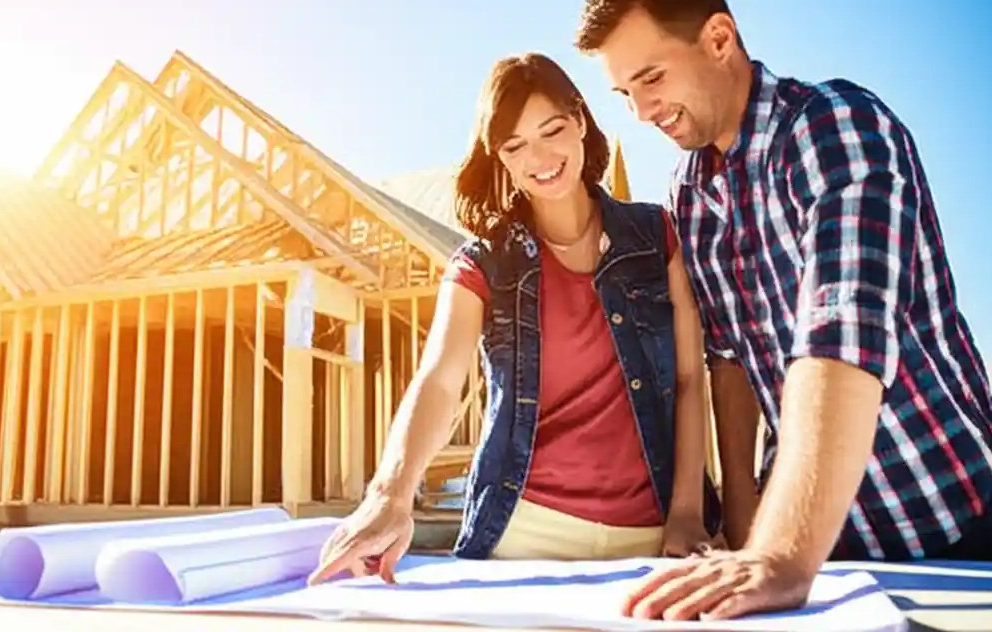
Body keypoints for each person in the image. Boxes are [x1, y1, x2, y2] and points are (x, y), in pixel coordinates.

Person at [572, 0, 992, 621]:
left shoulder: (835, 126)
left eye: (651, 77)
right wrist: (750, 531)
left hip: (932, 509)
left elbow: (844, 335)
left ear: (719, 39)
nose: (640, 110)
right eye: (624, 93)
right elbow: (730, 364)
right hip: (816, 544)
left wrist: (779, 553)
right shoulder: (687, 195)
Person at [307, 52, 722, 585]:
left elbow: (691, 380)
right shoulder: (483, 265)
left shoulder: (655, 236)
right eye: (516, 146)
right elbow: (439, 378)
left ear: (579, 121)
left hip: (657, 534)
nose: (541, 157)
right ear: (499, 157)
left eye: (552, 131)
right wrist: (391, 495)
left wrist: (687, 513)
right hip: (526, 536)